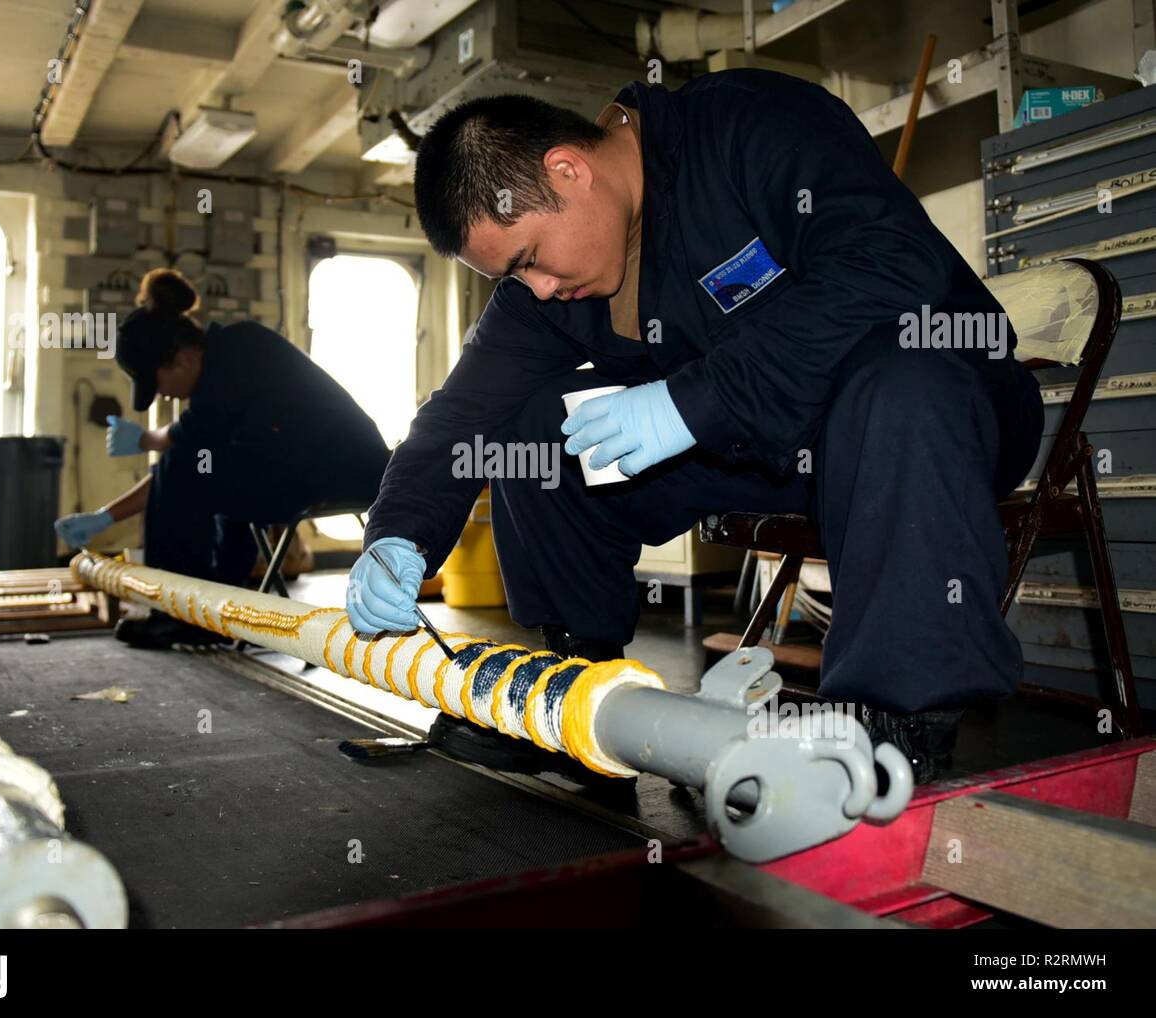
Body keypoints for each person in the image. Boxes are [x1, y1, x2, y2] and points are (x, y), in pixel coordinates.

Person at [344, 70, 1045, 784]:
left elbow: (894, 270)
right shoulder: (551, 291)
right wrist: (398, 533)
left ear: (568, 169)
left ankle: (901, 729)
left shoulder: (754, 124)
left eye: (528, 260)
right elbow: (462, 415)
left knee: (900, 380)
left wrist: (695, 402)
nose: (540, 290)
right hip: (778, 450)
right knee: (531, 432)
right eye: (514, 280)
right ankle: (578, 685)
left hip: (940, 408)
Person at [55, 268, 391, 649]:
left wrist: (147, 442)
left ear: (181, 359)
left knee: (194, 469)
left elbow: (179, 452)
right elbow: (191, 457)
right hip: (312, 467)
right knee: (209, 469)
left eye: (158, 382)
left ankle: (180, 613)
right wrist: (105, 517)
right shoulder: (227, 359)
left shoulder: (236, 355)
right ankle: (218, 610)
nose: (163, 396)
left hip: (344, 470)